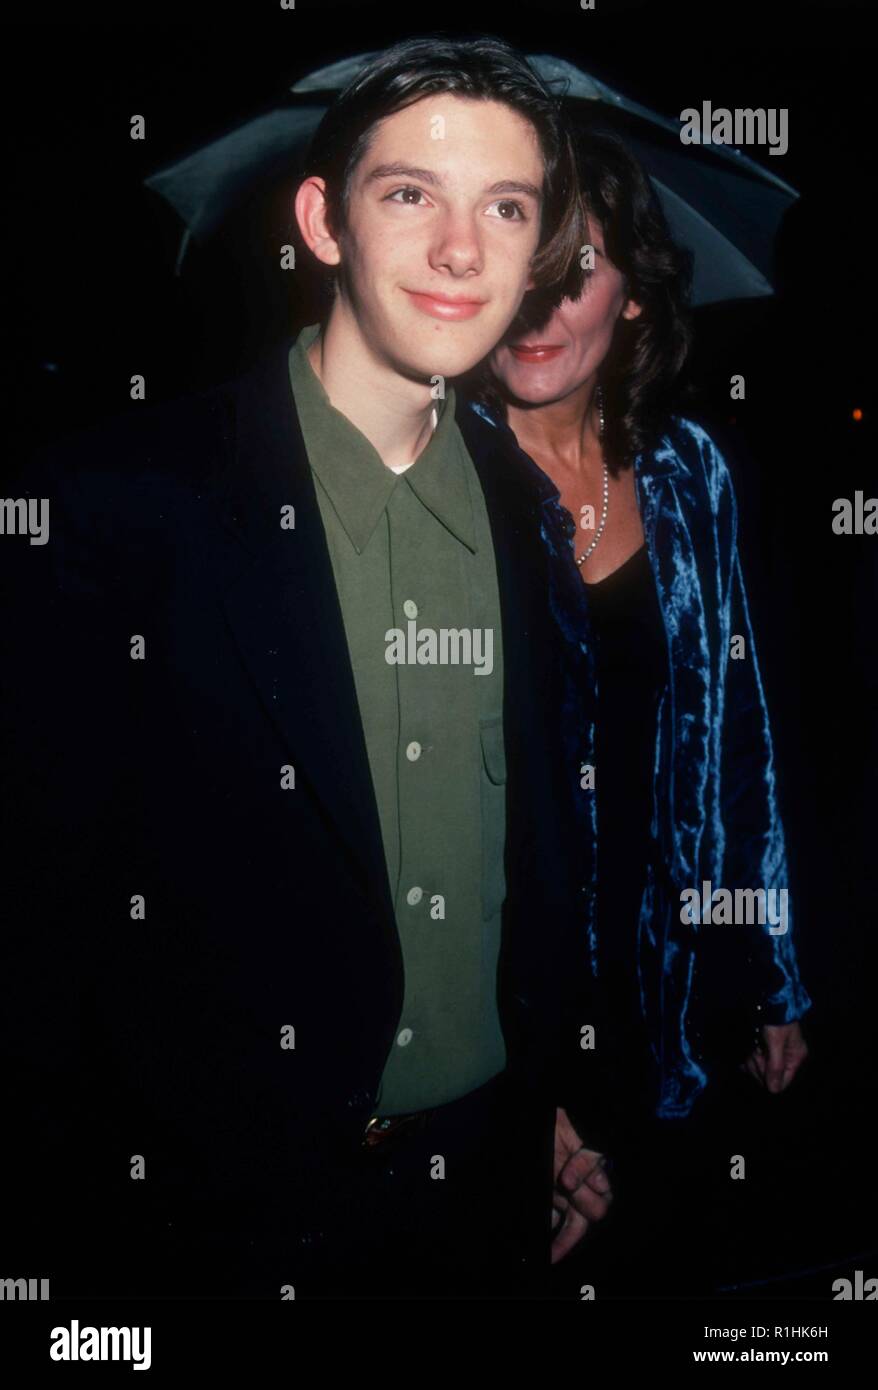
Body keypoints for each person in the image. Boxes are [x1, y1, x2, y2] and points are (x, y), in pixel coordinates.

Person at [0, 38, 613, 1301]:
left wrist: (532, 1099)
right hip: (207, 1226)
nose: (461, 250)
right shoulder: (119, 506)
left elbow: (519, 858)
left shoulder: (526, 517)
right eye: (410, 195)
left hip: (480, 1198)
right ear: (321, 219)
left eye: (506, 207)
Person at [466, 119, 812, 1284]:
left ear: (634, 298)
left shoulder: (688, 470)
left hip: (666, 971)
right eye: (521, 265)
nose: (537, 306)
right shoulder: (429, 474)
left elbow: (739, 730)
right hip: (498, 984)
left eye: (575, 271)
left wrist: (767, 969)